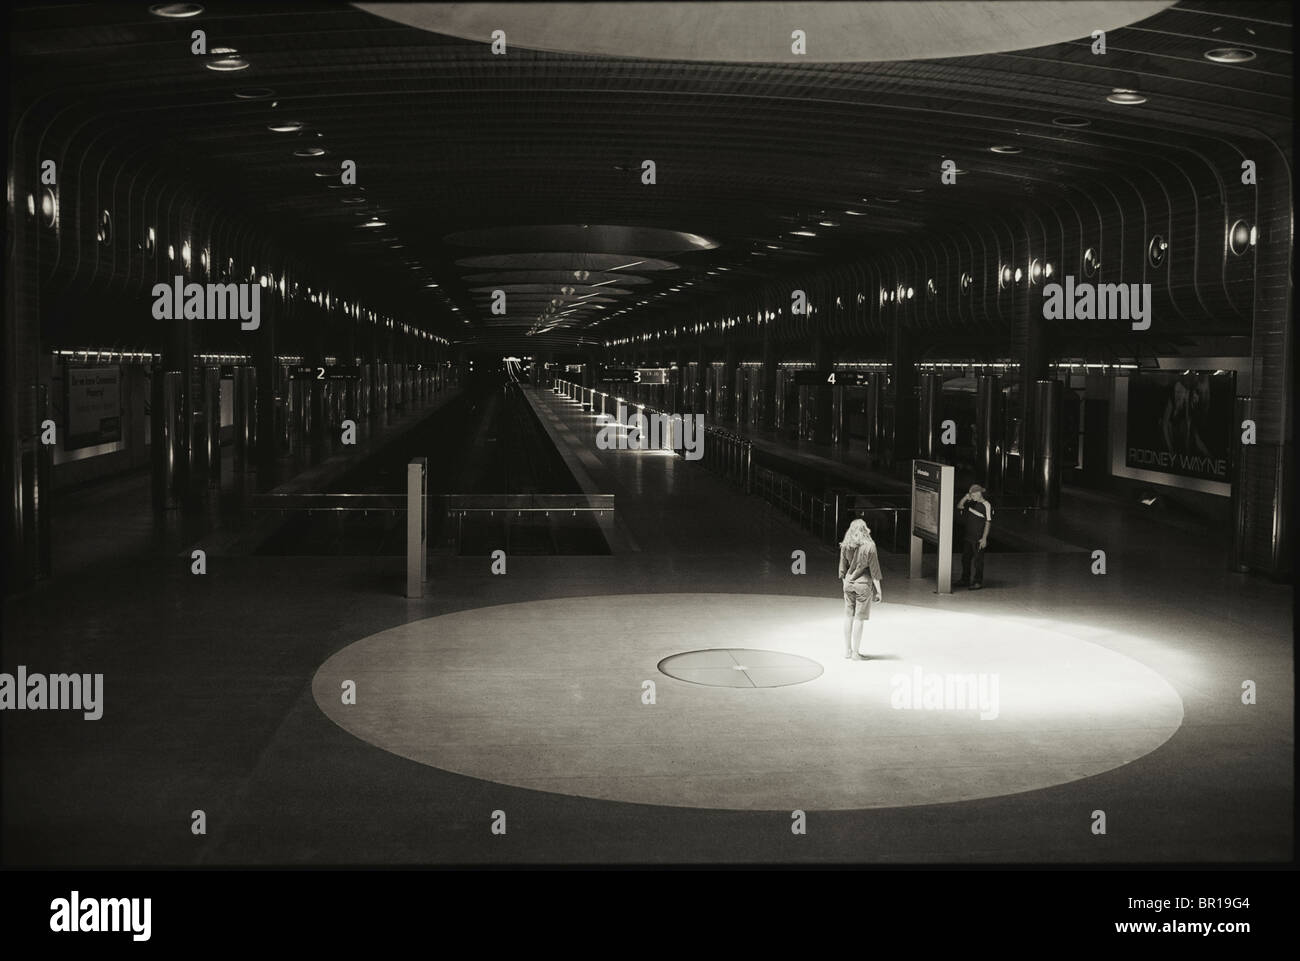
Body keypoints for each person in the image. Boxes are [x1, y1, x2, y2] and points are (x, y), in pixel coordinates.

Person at [838, 518, 882, 660]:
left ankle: (847, 651)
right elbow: (875, 572)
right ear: (865, 530)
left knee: (848, 617)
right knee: (859, 619)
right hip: (863, 586)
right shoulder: (870, 546)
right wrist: (879, 591)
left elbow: (842, 569)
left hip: (848, 584)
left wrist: (846, 584)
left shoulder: (845, 545)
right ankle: (856, 653)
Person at [956, 484, 993, 590]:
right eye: (971, 495)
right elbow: (959, 506)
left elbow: (988, 522)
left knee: (978, 560)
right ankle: (965, 579)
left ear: (979, 493)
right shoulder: (971, 503)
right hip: (968, 537)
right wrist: (965, 498)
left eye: (973, 494)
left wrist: (984, 538)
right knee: (965, 559)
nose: (972, 496)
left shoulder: (986, 505)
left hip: (978, 538)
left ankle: (978, 581)